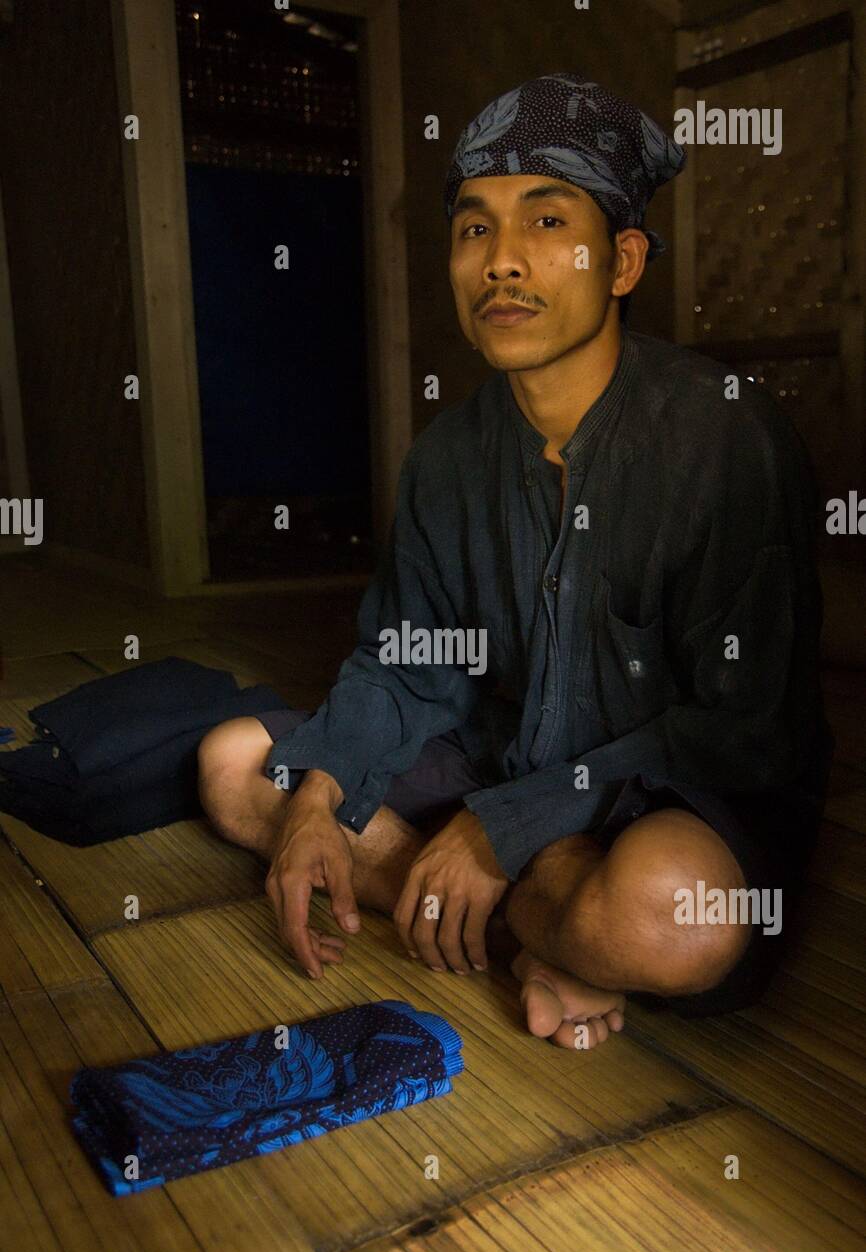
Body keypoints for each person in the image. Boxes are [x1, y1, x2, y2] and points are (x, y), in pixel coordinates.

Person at [197, 73, 833, 1050]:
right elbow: (408, 661)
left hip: (655, 795)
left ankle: (522, 907)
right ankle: (528, 941)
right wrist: (320, 801)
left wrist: (505, 826)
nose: (501, 262)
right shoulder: (448, 455)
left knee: (674, 913)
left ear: (619, 261)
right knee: (236, 764)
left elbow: (743, 728)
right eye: (473, 229)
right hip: (496, 750)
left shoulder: (722, 435)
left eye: (544, 222)